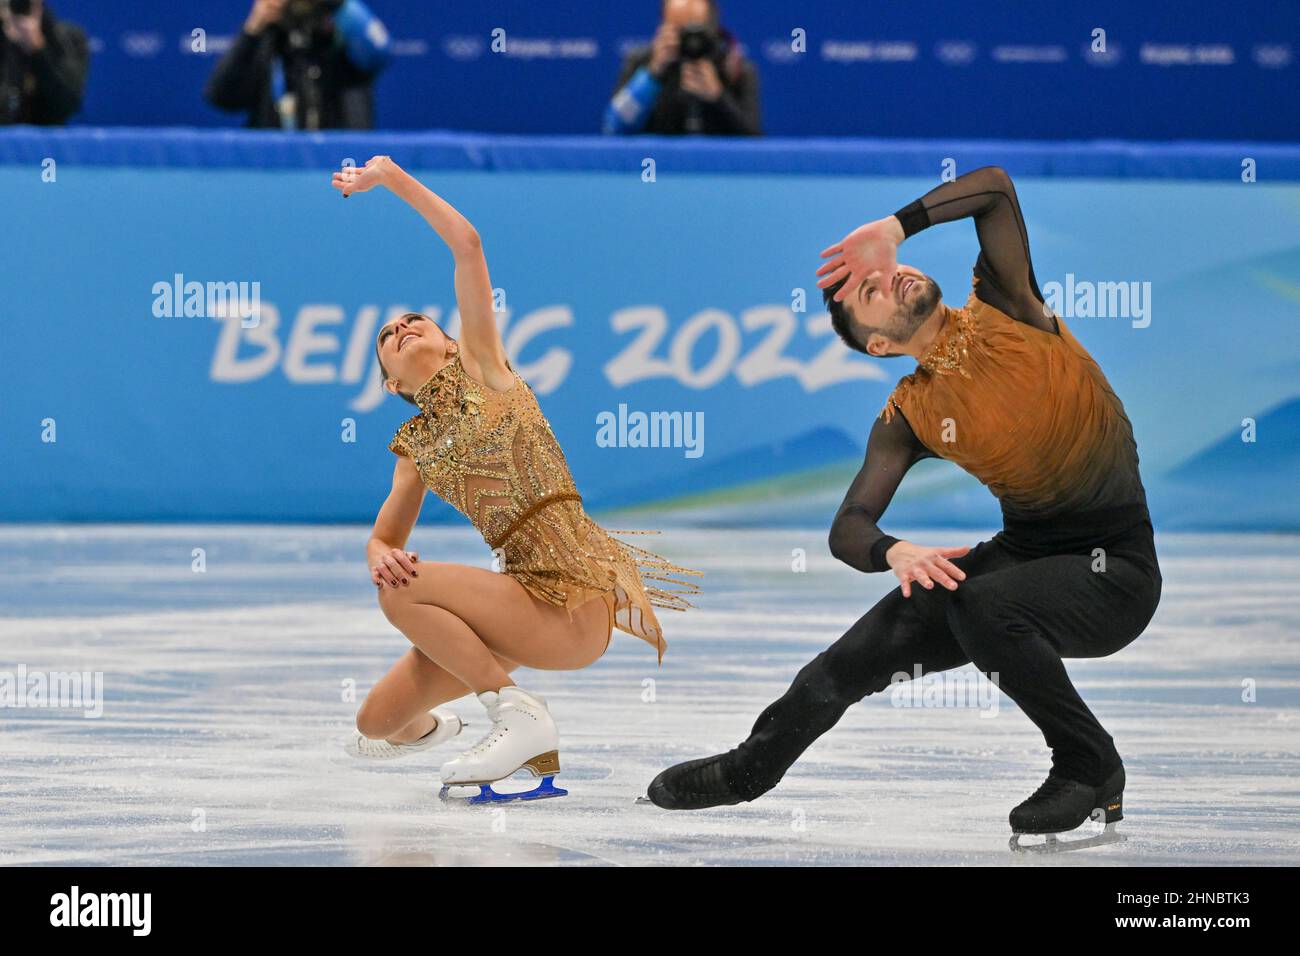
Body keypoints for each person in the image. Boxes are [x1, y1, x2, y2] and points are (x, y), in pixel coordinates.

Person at [646, 166, 1162, 851]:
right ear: (880, 346)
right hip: (1027, 554)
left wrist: (891, 229)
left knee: (982, 604)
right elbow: (847, 529)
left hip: (1116, 571)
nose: (889, 277)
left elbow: (995, 191)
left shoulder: (1007, 304)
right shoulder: (909, 414)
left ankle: (1088, 764)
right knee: (850, 658)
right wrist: (896, 552)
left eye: (884, 270)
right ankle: (750, 768)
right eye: (870, 292)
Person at [332, 156, 700, 800]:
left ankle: (514, 714)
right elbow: (384, 537)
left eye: (415, 320)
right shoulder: (414, 445)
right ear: (393, 385)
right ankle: (449, 724)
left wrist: (390, 178)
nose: (402, 326)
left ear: (451, 343)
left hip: (576, 595)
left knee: (400, 594)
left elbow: (467, 245)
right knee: (378, 723)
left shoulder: (484, 368)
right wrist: (376, 553)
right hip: (524, 603)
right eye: (388, 335)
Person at [205, 0, 390, 130]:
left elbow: (380, 53)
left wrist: (341, 7)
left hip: (339, 161)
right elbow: (221, 97)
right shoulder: (269, 42)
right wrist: (252, 30)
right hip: (276, 164)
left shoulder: (344, 37)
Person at [603, 0, 760, 136]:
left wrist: (718, 97)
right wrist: (653, 75)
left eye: (696, 30)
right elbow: (614, 127)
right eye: (680, 30)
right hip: (655, 163)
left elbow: (752, 139)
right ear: (663, 27)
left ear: (713, 28)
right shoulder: (643, 62)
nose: (690, 41)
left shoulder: (735, 69)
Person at [0, 0, 87, 126]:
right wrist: (7, 43)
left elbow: (67, 103)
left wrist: (38, 49)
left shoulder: (68, 39)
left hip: (47, 139)